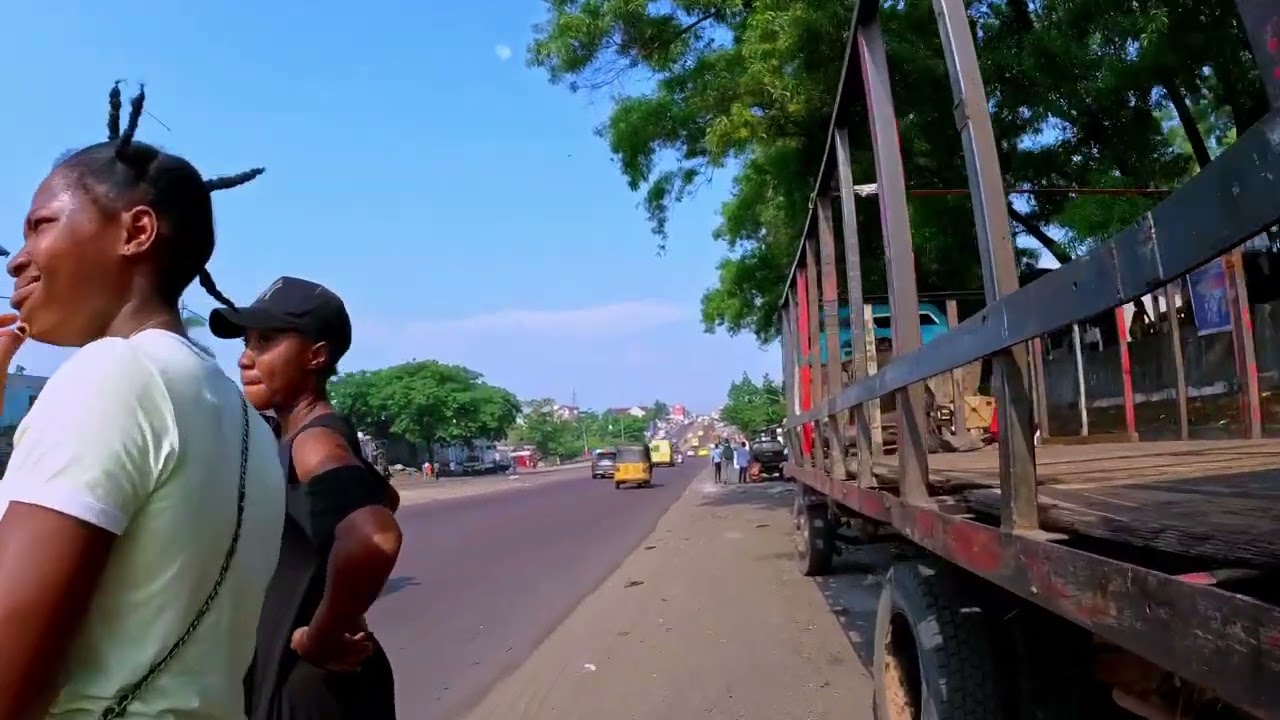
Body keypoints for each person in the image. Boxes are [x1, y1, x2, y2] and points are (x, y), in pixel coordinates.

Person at [0, 83, 285, 719]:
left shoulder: (111, 376)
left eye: (40, 225)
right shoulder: (242, 418)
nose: (17, 260)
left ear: (136, 231)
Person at [215, 276, 403, 720]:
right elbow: (386, 497)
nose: (245, 357)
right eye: (246, 342)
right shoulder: (293, 435)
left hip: (310, 685)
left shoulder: (313, 442)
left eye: (266, 341)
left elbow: (374, 535)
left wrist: (321, 636)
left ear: (316, 355)